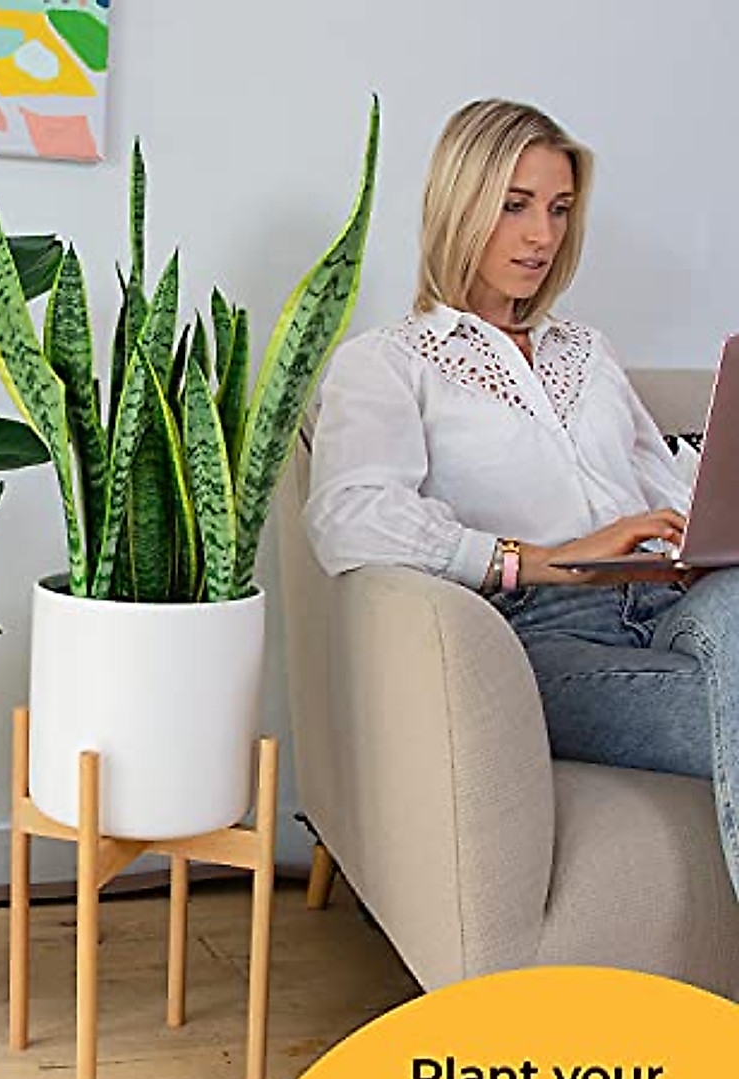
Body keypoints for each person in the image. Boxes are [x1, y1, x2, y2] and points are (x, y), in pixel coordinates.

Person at [304, 97, 739, 901]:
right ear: (459, 204)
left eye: (560, 209)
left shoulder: (590, 352)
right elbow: (349, 517)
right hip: (541, 632)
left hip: (671, 600)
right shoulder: (389, 363)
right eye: (515, 205)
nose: (543, 235)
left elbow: (669, 486)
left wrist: (700, 533)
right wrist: (542, 561)